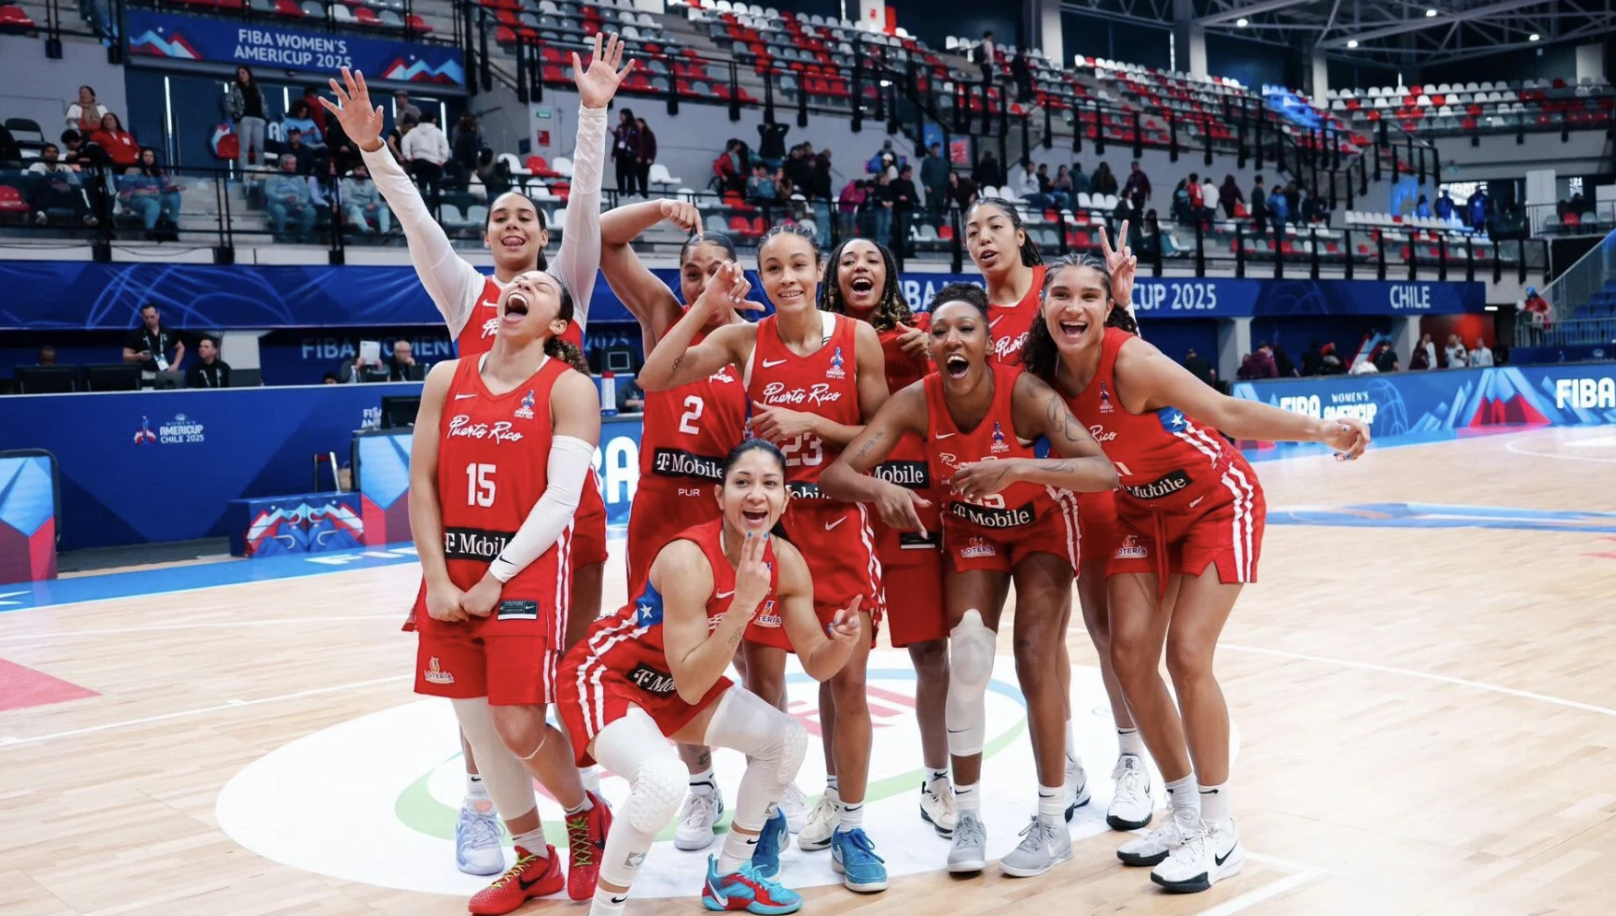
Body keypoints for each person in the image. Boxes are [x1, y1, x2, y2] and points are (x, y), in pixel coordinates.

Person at [321, 35, 630, 894]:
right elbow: (417, 221)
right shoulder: (467, 298)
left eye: (525, 216)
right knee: (484, 684)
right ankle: (483, 803)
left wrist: (593, 116)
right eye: (499, 216)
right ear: (486, 237)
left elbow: (586, 206)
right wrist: (375, 150)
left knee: (549, 677)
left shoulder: (564, 291)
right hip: (476, 520)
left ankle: (580, 806)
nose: (512, 224)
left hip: (561, 512)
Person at [1025, 250, 1369, 894]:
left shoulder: (1132, 362)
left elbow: (1228, 413)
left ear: (1107, 308)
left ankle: (1219, 829)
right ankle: (1184, 812)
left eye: (1089, 297)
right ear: (1042, 305)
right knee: (1129, 656)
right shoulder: (1039, 377)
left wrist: (1321, 429)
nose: (1073, 307)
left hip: (1216, 502)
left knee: (1186, 653)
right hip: (1141, 514)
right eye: (1060, 295)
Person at [821, 282, 1118, 877]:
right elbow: (837, 474)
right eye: (939, 332)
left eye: (966, 329)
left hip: (1040, 528)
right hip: (972, 529)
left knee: (1033, 654)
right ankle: (969, 817)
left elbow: (1102, 470)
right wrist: (878, 489)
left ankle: (1052, 821)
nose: (952, 340)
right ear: (929, 345)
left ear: (986, 342)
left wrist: (1018, 467)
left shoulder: (1026, 392)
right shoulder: (916, 400)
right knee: (971, 656)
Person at [638, 227, 892, 894]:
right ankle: (769, 815)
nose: (787, 278)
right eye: (773, 268)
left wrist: (814, 425)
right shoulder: (745, 340)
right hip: (767, 528)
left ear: (819, 270)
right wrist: (705, 305)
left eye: (799, 265)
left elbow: (885, 434)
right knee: (764, 688)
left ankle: (850, 823)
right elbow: (652, 376)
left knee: (848, 681)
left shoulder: (857, 338)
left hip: (837, 526)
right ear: (761, 277)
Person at [558, 439, 863, 916]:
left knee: (786, 741)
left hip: (675, 681)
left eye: (770, 483)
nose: (756, 494)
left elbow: (816, 664)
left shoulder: (787, 562)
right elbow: (692, 685)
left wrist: (841, 643)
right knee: (661, 782)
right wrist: (743, 605)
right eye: (742, 482)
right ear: (720, 495)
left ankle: (731, 875)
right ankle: (606, 910)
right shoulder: (687, 558)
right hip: (610, 677)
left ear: (785, 498)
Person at [408, 271, 611, 915]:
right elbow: (422, 483)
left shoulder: (570, 387)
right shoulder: (446, 378)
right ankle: (533, 860)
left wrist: (495, 576)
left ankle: (583, 816)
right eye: (518, 282)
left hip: (524, 568)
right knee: (476, 723)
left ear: (558, 324)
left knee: (517, 722)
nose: (521, 283)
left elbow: (561, 499)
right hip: (452, 567)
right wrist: (437, 578)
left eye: (541, 287)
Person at [596, 199, 793, 849]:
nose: (704, 281)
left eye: (718, 271)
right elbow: (601, 240)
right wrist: (659, 209)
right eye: (692, 272)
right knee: (669, 656)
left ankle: (771, 777)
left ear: (740, 277)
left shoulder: (754, 341)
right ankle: (701, 786)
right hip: (660, 509)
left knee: (753, 650)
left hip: (724, 511)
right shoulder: (664, 316)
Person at [964, 197, 1125, 820]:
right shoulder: (969, 315)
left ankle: (1132, 761)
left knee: (1109, 632)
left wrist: (1124, 304)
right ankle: (1070, 763)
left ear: (1020, 234)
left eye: (994, 226)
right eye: (972, 230)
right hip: (1021, 502)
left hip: (1088, 480)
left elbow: (1119, 358)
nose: (983, 238)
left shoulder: (1058, 291)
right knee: (1045, 642)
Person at [819, 238, 954, 841]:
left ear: (889, 273)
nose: (860, 266)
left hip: (911, 508)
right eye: (848, 259)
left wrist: (937, 358)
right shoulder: (819, 341)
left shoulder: (923, 334)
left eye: (872, 258)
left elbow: (955, 407)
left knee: (930, 653)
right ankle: (835, 790)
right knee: (839, 664)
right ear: (833, 276)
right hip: (845, 510)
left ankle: (938, 779)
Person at [123, 303, 184, 380]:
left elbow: (180, 348)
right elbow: (125, 357)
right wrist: (138, 356)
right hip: (145, 374)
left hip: (165, 373)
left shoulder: (167, 331)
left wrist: (175, 365)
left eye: (152, 317)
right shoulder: (136, 334)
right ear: (142, 317)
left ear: (158, 315)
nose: (149, 320)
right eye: (146, 317)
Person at [229, 66, 267, 171]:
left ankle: (260, 171)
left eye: (243, 72)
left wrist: (265, 117)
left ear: (249, 74)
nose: (241, 75)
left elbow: (263, 102)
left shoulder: (256, 87)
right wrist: (237, 115)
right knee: (244, 148)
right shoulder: (235, 87)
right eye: (239, 73)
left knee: (259, 148)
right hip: (244, 119)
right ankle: (243, 172)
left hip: (258, 119)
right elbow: (229, 103)